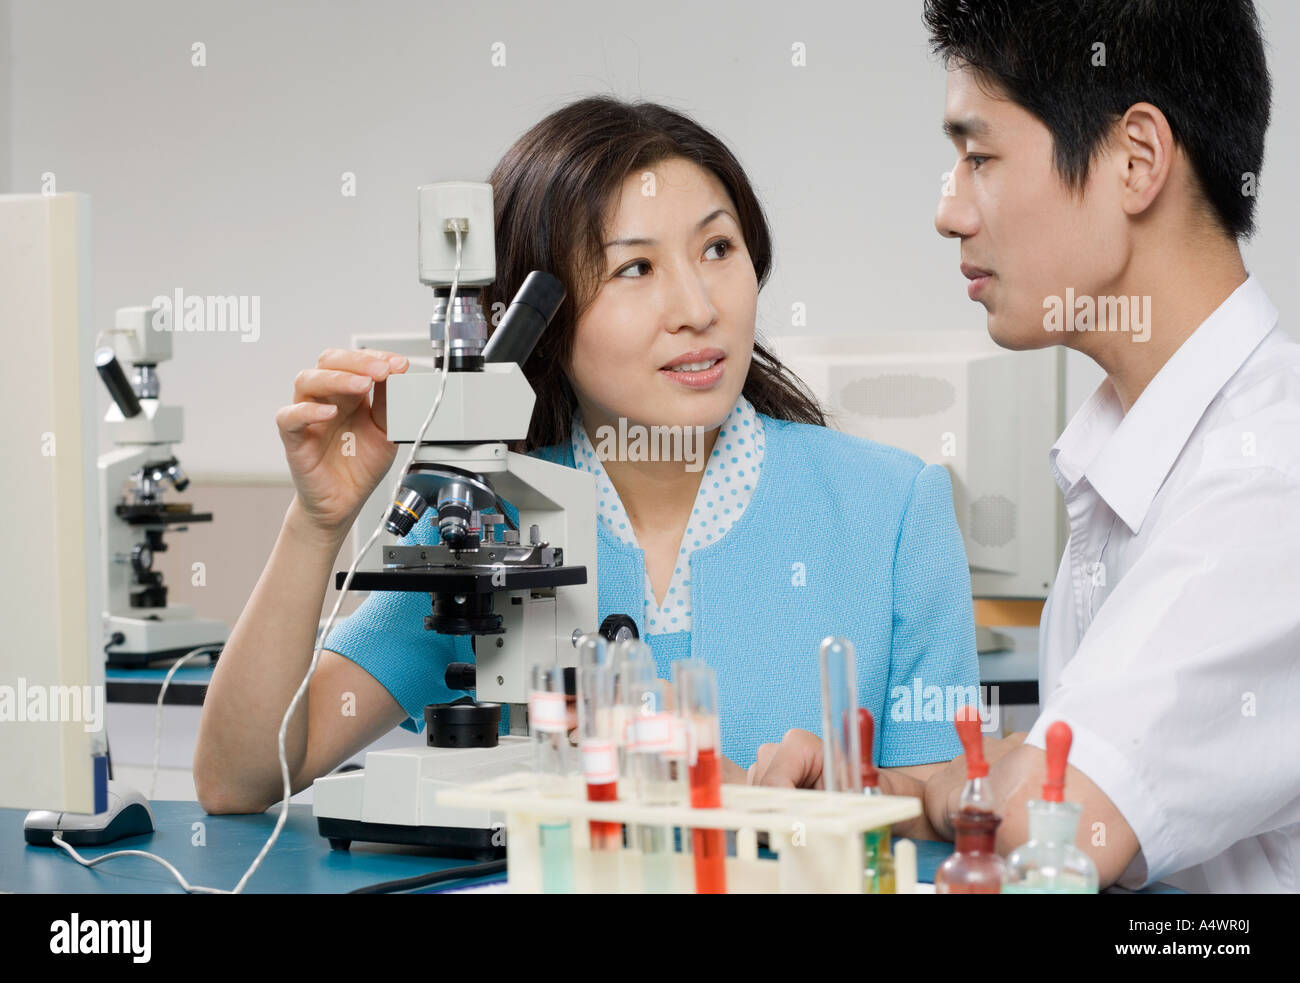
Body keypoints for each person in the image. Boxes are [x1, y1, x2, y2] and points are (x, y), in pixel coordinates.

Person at [194, 97, 979, 827]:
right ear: (541, 318)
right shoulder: (488, 518)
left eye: (717, 248)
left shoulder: (894, 508)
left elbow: (944, 812)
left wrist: (766, 804)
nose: (699, 308)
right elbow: (241, 778)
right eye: (636, 268)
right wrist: (315, 522)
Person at [752, 0, 1300, 893]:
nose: (949, 210)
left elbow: (1054, 816)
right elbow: (1042, 774)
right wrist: (888, 787)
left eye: (979, 157)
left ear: (1137, 159)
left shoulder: (1267, 480)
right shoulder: (1133, 455)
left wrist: (968, 789)